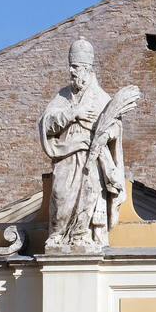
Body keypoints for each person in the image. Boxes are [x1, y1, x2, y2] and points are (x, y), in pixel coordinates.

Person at [38, 38, 137, 250]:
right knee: (60, 195)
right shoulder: (63, 96)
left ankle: (81, 236)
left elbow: (115, 129)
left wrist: (105, 134)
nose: (71, 71)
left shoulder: (101, 98)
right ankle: (58, 234)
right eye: (70, 67)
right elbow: (46, 123)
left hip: (91, 160)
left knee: (90, 194)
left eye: (75, 67)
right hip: (66, 157)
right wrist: (73, 114)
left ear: (86, 69)